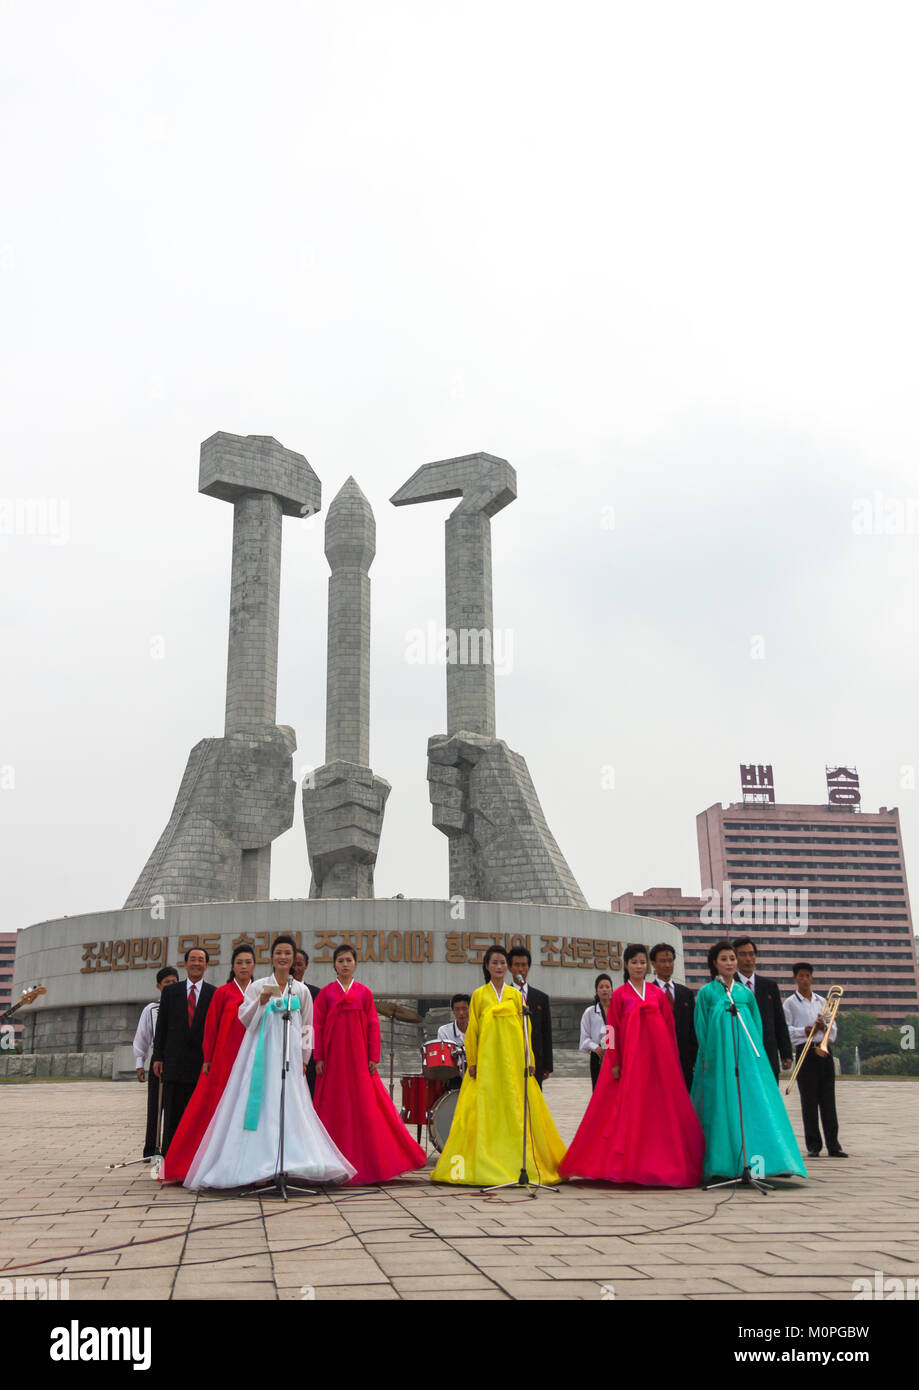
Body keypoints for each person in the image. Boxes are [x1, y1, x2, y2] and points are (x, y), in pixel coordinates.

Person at [183, 935, 355, 1190]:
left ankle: (289, 1164)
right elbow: (244, 1019)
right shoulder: (259, 987)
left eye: (287, 953)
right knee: (261, 1107)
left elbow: (307, 1027)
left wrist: (305, 1058)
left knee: (290, 1106)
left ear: (294, 959)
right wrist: (260, 1003)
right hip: (262, 1057)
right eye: (279, 953)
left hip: (290, 1060)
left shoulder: (302, 990)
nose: (283, 957)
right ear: (272, 958)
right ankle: (256, 1164)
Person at [561, 945, 704, 1187]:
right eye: (634, 962)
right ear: (626, 965)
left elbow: (669, 1030)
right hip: (630, 1063)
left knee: (658, 1112)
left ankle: (659, 1162)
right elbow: (611, 1030)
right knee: (624, 1112)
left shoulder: (657, 994)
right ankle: (623, 1163)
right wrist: (614, 1060)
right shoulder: (620, 995)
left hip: (657, 1064)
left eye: (642, 962)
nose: (639, 966)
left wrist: (670, 1060)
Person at [431, 945, 567, 1187]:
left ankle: (520, 1161)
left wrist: (530, 1060)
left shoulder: (516, 996)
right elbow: (473, 1031)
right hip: (488, 1061)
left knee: (516, 1106)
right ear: (487, 966)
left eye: (503, 963)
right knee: (487, 1108)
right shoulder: (479, 995)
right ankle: (487, 1159)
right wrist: (472, 1060)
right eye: (494, 963)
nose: (499, 967)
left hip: (513, 1061)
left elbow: (527, 1031)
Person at [693, 940, 807, 1183]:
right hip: (719, 1061)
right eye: (724, 959)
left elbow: (756, 1026)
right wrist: (707, 1056)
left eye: (732, 959)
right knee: (722, 1106)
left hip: (747, 1062)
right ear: (715, 963)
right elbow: (701, 1027)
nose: (730, 963)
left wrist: (759, 1057)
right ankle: (723, 1164)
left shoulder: (746, 995)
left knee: (755, 1105)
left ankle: (762, 1161)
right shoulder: (707, 994)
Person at [313, 944, 427, 1185]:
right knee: (334, 1108)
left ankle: (372, 1163)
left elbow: (373, 1025)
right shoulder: (325, 994)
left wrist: (373, 1057)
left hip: (357, 1061)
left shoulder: (364, 993)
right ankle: (331, 1163)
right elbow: (317, 1026)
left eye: (348, 960)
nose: (344, 964)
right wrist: (319, 1057)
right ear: (334, 965)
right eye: (340, 960)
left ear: (355, 964)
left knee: (366, 1108)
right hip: (333, 1062)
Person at [159, 944, 256, 1182]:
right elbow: (211, 1029)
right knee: (215, 1112)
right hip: (224, 1061)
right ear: (232, 967)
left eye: (248, 962)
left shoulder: (261, 991)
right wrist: (209, 1058)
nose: (243, 967)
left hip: (252, 1061)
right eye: (239, 963)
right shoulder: (222, 993)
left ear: (254, 966)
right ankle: (192, 1163)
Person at [152, 947, 216, 1155]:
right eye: (192, 959)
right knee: (172, 1116)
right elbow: (161, 1027)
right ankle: (170, 1160)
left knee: (198, 1116)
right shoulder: (171, 992)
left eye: (201, 960)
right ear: (185, 964)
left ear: (207, 965)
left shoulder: (214, 993)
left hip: (201, 1065)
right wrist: (158, 1057)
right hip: (174, 1065)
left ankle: (194, 1159)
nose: (196, 963)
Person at [783, 964, 847, 1158]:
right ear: (795, 978)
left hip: (824, 1050)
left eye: (808, 976)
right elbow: (786, 1030)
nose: (805, 979)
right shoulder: (789, 1004)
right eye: (801, 976)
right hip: (805, 1052)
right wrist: (806, 1030)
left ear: (812, 978)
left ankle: (833, 1145)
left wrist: (823, 1026)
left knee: (829, 1100)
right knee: (809, 1101)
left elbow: (833, 1029)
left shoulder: (822, 1001)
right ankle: (813, 1145)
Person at [132, 966, 178, 1157]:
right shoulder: (152, 1009)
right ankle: (151, 1148)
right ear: (159, 986)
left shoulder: (185, 1006)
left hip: (179, 1061)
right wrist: (139, 1063)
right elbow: (142, 1036)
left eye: (174, 982)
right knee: (155, 1107)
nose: (170, 986)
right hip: (159, 1060)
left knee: (175, 1106)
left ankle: (172, 1148)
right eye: (167, 983)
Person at [733, 937, 793, 1081]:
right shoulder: (728, 985)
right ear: (735, 958)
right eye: (743, 954)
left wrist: (786, 1053)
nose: (748, 958)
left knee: (770, 1099)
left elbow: (779, 1022)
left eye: (751, 954)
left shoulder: (769, 986)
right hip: (740, 1053)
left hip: (767, 1053)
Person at [649, 943, 697, 1091]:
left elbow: (692, 1029)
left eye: (670, 960)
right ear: (653, 964)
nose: (668, 965)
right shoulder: (648, 993)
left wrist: (694, 1058)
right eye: (663, 961)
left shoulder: (686, 993)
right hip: (656, 1059)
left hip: (683, 1061)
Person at [507, 947, 553, 1087]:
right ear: (509, 968)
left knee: (534, 1105)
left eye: (524, 965)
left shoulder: (541, 998)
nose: (521, 969)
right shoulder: (504, 996)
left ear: (529, 967)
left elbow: (546, 1032)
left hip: (535, 1062)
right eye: (517, 965)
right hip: (511, 1059)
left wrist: (547, 1065)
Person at [293, 948, 320, 1097]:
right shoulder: (277, 991)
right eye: (293, 964)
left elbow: (310, 1026)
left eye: (299, 964)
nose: (296, 969)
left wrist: (306, 1057)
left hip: (308, 1055)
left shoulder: (315, 993)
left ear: (306, 965)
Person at [579, 974, 613, 1090]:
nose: (604, 990)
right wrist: (596, 1048)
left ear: (611, 989)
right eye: (601, 987)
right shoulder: (590, 1012)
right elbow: (585, 1038)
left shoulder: (618, 1010)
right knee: (598, 1089)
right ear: (597, 990)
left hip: (614, 1054)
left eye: (607, 987)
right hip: (598, 1055)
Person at [437, 994, 470, 1091]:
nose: (461, 1013)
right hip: (455, 1076)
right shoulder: (444, 1031)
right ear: (453, 1012)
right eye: (457, 1009)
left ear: (470, 1009)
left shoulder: (478, 1030)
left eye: (464, 1009)